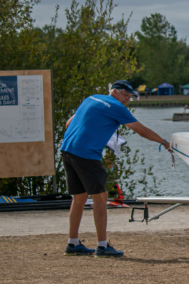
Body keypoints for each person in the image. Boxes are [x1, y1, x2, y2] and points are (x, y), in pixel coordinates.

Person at [61, 80, 171, 258]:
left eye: (130, 97)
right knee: (101, 197)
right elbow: (142, 131)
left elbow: (68, 124)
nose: (127, 99)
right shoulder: (117, 107)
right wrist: (164, 142)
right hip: (86, 154)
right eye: (125, 95)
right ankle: (102, 247)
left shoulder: (91, 98)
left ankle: (72, 244)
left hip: (67, 150)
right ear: (115, 92)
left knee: (79, 197)